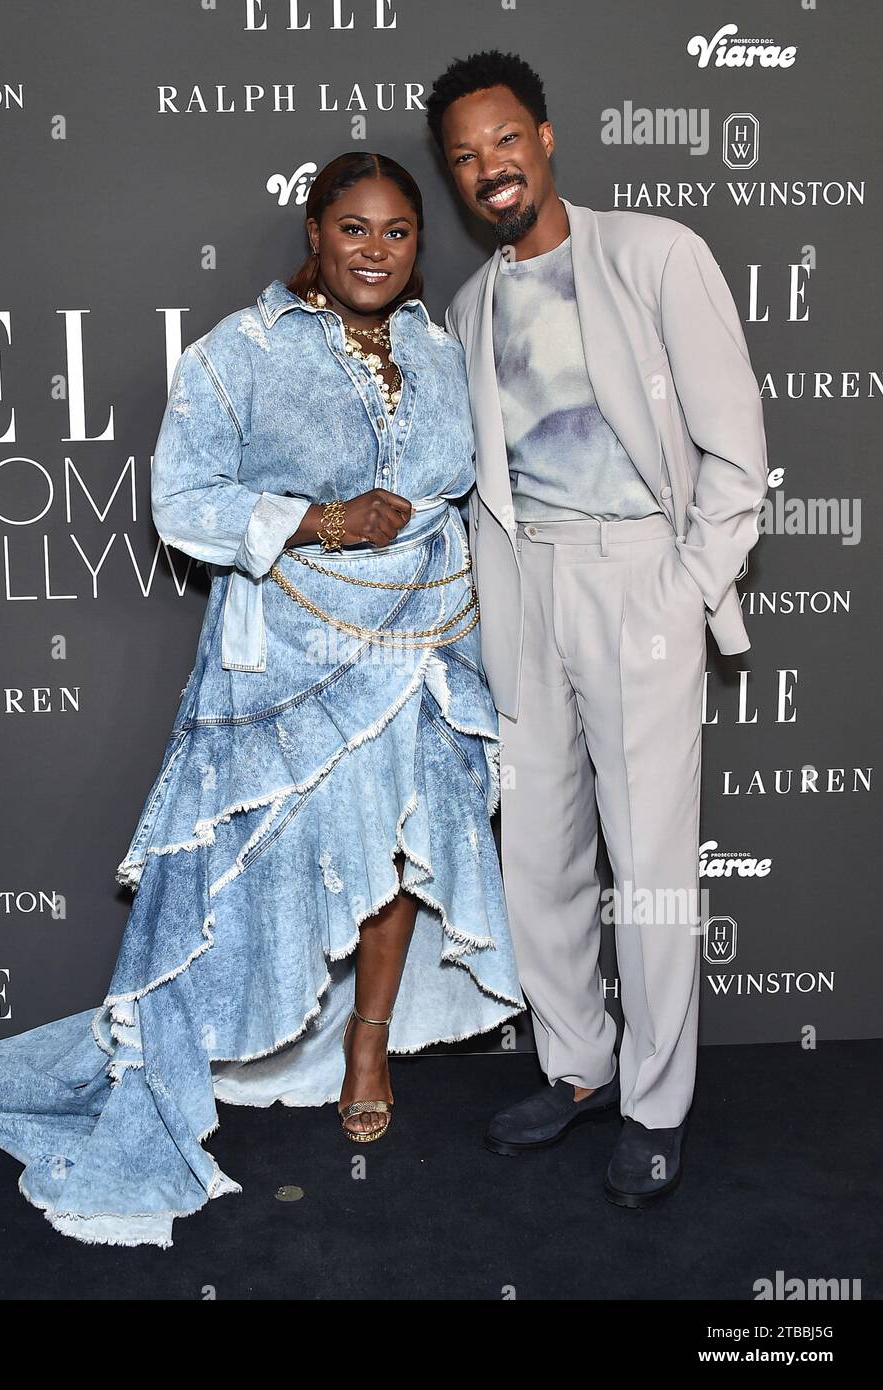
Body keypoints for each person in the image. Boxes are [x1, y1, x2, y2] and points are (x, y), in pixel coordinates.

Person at [0, 151, 524, 1249]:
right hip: (280, 660)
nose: (376, 249)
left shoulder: (440, 347)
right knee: (231, 874)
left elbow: (467, 486)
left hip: (421, 644)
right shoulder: (243, 350)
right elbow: (181, 501)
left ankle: (365, 1049)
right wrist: (318, 522)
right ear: (315, 234)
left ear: (419, 247)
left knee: (403, 851)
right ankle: (183, 1060)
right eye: (354, 228)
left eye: (398, 232)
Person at [426, 52, 768, 1206]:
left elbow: (738, 454)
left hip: (641, 581)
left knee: (656, 867)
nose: (491, 169)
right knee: (540, 860)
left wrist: (683, 584)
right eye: (466, 157)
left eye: (505, 141)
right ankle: (576, 1067)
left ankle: (657, 1102)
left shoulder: (655, 255)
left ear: (547, 136)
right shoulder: (467, 310)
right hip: (526, 589)